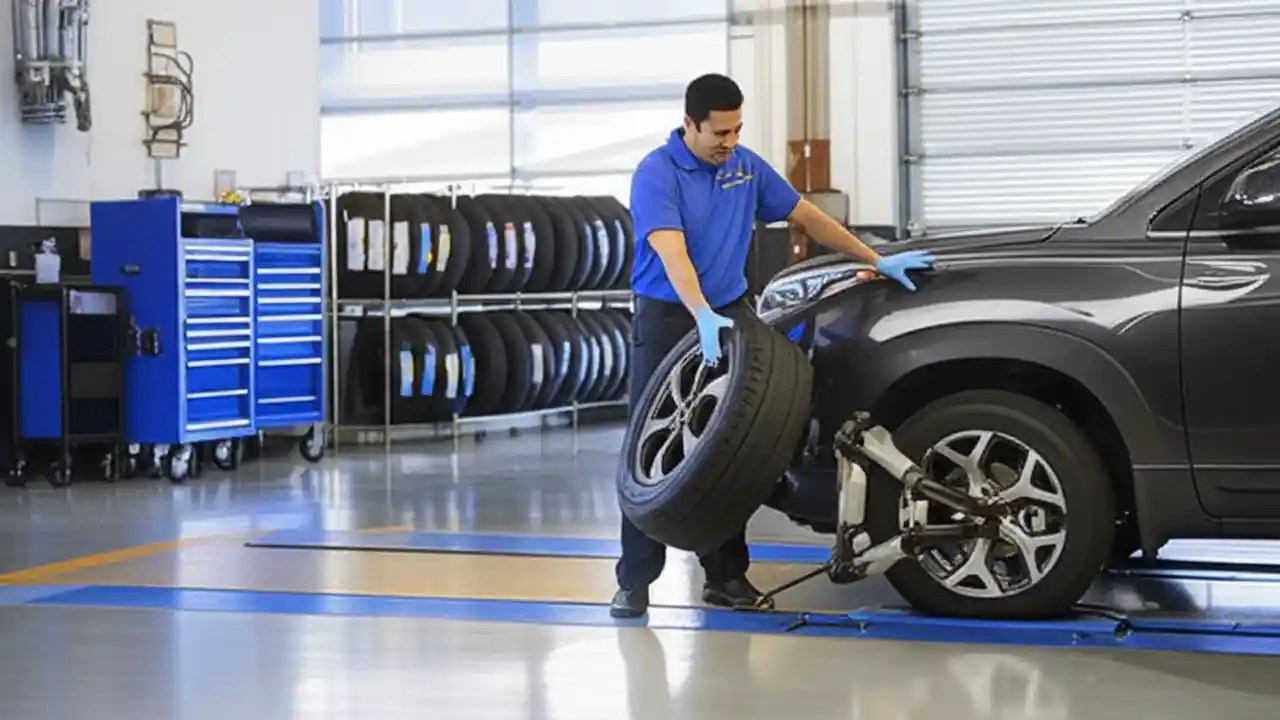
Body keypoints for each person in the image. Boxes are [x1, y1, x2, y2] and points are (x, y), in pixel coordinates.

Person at [610, 73, 935, 619]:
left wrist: (873, 259)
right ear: (689, 124)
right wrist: (701, 316)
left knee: (728, 443)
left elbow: (805, 214)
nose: (730, 141)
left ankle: (727, 578)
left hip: (729, 311)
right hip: (671, 317)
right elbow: (672, 254)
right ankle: (634, 580)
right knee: (657, 453)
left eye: (737, 130)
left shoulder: (744, 165)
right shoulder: (657, 174)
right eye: (719, 132)